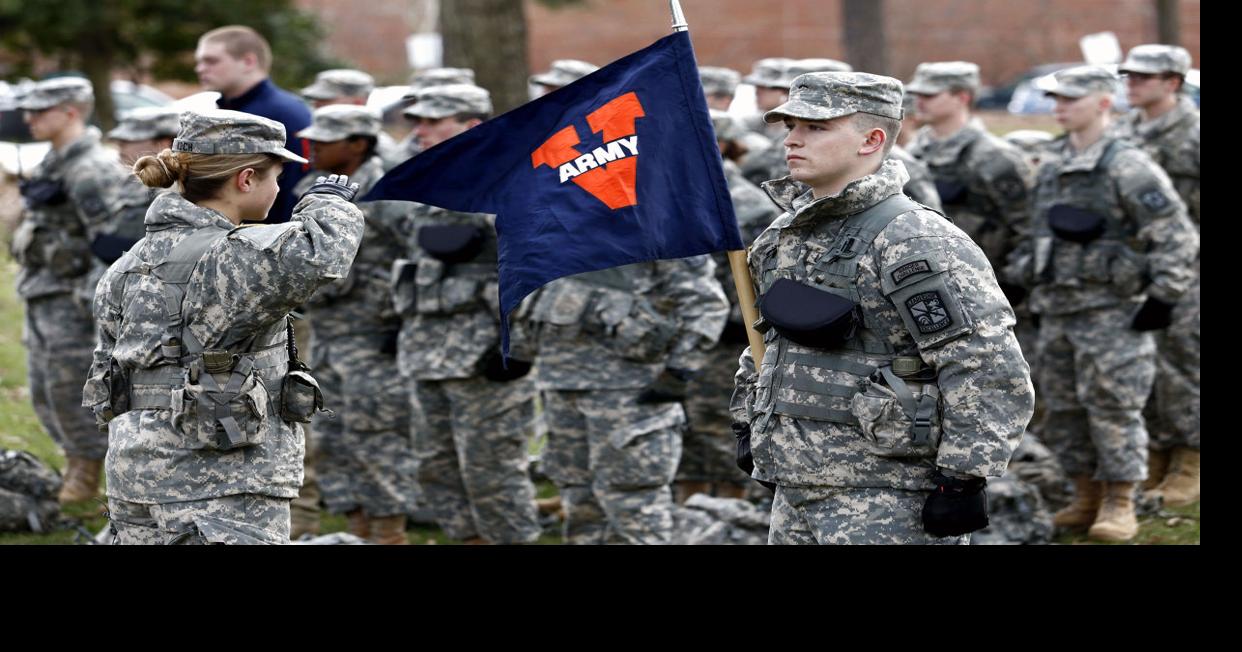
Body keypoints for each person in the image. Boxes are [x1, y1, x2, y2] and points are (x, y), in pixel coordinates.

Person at [732, 72, 1034, 544]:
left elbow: (984, 360)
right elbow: (769, 341)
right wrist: (749, 420)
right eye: (791, 126)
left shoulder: (911, 237)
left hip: (888, 492)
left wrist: (963, 476)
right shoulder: (787, 234)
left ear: (871, 140)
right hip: (797, 483)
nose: (791, 140)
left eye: (816, 127)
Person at [82, 109, 364, 544]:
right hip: (221, 483)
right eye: (276, 178)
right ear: (246, 179)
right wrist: (328, 201)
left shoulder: (129, 263)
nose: (279, 189)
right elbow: (322, 252)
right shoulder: (233, 257)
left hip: (134, 473)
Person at [1007, 66, 1198, 541]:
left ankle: (1120, 499)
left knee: (1115, 407)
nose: (1060, 107)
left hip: (1112, 311)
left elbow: (1175, 235)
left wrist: (1164, 296)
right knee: (1065, 408)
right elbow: (1036, 233)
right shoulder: (1052, 163)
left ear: (1104, 103)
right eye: (1056, 99)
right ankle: (1084, 495)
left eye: (1071, 99)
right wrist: (1020, 277)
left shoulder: (1127, 165)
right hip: (1057, 308)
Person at [393, 84, 542, 544]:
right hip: (425, 352)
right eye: (417, 121)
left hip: (485, 357)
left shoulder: (513, 182)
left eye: (433, 121)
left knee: (492, 471)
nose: (420, 130)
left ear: (472, 126)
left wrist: (520, 346)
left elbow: (537, 269)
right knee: (435, 467)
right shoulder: (427, 183)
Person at [294, 105, 420, 544]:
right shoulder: (314, 189)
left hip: (374, 336)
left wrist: (402, 320)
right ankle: (355, 530)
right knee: (332, 435)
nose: (314, 147)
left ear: (358, 144)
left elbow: (417, 256)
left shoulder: (388, 190)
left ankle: (389, 533)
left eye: (326, 140)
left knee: (377, 436)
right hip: (328, 331)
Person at [13, 77, 128, 505]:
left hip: (73, 300)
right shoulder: (55, 160)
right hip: (44, 291)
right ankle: (76, 465)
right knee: (45, 389)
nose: (29, 118)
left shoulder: (90, 169)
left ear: (70, 112)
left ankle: (86, 473)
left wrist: (91, 305)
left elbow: (110, 246)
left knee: (71, 390)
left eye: (40, 111)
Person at [1112, 44, 1200, 507]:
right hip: (1135, 269)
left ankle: (1191, 460)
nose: (1132, 84)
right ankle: (1158, 454)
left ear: (1172, 82)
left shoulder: (1194, 133)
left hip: (1189, 266)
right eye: (1129, 76)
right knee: (1144, 365)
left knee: (1182, 362)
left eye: (1143, 77)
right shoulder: (1122, 132)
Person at [905, 61, 1031, 271]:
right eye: (917, 95)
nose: (919, 102)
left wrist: (1011, 278)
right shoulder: (911, 153)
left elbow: (1026, 227)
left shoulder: (994, 156)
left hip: (984, 277)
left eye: (929, 95)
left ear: (962, 97)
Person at [195, 25, 311, 224]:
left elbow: (295, 190)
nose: (200, 68)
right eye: (199, 61)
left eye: (211, 61)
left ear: (248, 62)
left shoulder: (281, 113)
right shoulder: (232, 109)